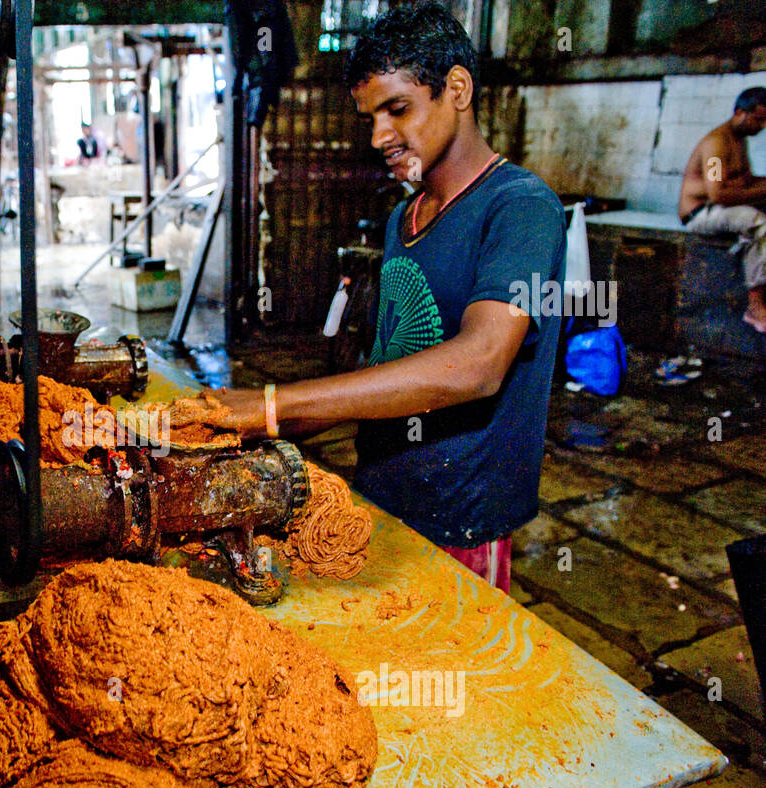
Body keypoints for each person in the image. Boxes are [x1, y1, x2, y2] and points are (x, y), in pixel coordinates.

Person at [207, 1, 565, 593]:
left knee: (448, 675)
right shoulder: (407, 215)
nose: (379, 136)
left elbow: (477, 365)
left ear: (456, 88)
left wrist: (278, 402)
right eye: (370, 116)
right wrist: (279, 427)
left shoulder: (520, 209)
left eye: (397, 109)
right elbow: (394, 367)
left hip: (459, 518)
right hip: (382, 493)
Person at [678, 87, 766, 333]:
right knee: (758, 221)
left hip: (721, 208)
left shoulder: (738, 141)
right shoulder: (717, 144)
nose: (762, 126)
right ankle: (755, 307)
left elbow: (745, 181)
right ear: (739, 112)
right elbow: (718, 193)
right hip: (700, 213)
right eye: (758, 119)